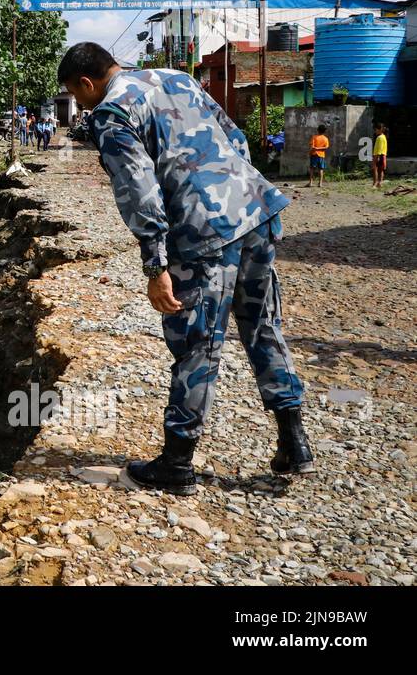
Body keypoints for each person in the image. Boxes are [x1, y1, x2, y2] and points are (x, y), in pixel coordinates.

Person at [57, 42, 312, 495]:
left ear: (86, 83)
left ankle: (177, 462)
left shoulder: (112, 112)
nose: (81, 105)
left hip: (202, 233)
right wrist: (235, 195)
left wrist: (155, 264)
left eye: (78, 97)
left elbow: (139, 191)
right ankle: (294, 442)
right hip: (256, 212)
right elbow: (236, 138)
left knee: (197, 343)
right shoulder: (176, 78)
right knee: (262, 326)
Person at [308, 124, 329, 188]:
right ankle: (320, 183)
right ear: (324, 131)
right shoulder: (325, 139)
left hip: (314, 154)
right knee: (321, 169)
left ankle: (311, 183)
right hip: (321, 155)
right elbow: (326, 147)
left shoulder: (314, 137)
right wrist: (319, 149)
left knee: (312, 169)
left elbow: (312, 147)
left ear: (318, 130)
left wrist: (311, 152)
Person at [372, 123, 388, 189]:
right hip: (383, 155)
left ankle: (375, 183)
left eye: (376, 130)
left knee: (374, 168)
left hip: (378, 155)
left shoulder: (379, 137)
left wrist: (377, 157)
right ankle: (380, 183)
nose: (375, 131)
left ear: (379, 130)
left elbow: (380, 148)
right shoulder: (384, 136)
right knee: (381, 170)